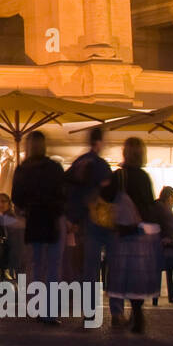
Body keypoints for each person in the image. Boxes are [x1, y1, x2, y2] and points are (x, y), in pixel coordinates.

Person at [11, 131, 67, 324]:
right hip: (52, 219)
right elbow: (63, 193)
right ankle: (49, 313)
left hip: (33, 220)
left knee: (35, 265)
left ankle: (34, 306)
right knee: (53, 267)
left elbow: (16, 197)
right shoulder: (54, 167)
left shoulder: (22, 169)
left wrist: (27, 207)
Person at [105, 137, 159, 333]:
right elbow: (150, 205)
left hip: (122, 232)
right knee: (137, 275)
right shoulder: (145, 177)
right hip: (142, 233)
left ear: (125, 153)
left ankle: (117, 314)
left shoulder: (119, 176)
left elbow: (106, 198)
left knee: (119, 273)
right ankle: (137, 313)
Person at [65, 126, 115, 305]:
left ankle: (88, 307)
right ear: (99, 142)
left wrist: (72, 217)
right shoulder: (99, 165)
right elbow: (108, 192)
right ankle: (108, 308)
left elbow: (67, 190)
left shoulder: (79, 162)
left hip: (79, 220)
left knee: (86, 265)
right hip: (97, 219)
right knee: (101, 263)